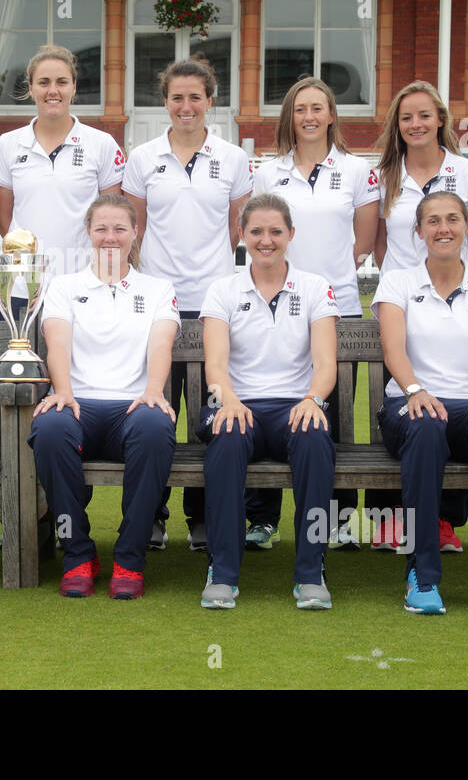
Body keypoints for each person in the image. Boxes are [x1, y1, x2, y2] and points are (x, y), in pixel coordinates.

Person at [121, 58, 252, 551]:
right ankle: (152, 515)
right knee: (154, 410)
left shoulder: (234, 159)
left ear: (210, 101)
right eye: (177, 97)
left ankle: (200, 517)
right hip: (157, 303)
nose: (186, 106)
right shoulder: (143, 157)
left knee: (207, 414)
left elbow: (240, 228)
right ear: (166, 102)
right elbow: (136, 229)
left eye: (195, 96)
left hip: (213, 304)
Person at [373, 191, 468, 618]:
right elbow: (394, 350)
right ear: (418, 232)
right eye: (433, 221)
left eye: (453, 219)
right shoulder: (398, 282)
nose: (444, 228)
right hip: (409, 404)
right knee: (424, 426)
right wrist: (417, 390)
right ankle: (422, 573)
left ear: (467, 228)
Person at [29, 193, 179, 600]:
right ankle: (76, 553)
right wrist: (63, 392)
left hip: (132, 405)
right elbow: (56, 343)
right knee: (49, 427)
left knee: (154, 425)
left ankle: (130, 558)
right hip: (80, 403)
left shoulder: (158, 288)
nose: (110, 237)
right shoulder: (62, 286)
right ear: (88, 233)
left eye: (119, 229)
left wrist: (153, 391)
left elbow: (161, 343)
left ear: (135, 232)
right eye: (101, 229)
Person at [250, 77, 378, 550]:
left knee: (335, 417)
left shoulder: (356, 170)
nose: (309, 116)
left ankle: (339, 520)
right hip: (275, 306)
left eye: (317, 108)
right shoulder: (268, 172)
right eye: (300, 108)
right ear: (290, 116)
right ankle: (262, 518)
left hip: (337, 307)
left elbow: (363, 241)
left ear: (330, 116)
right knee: (268, 402)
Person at [200, 194, 339, 611]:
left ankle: (311, 572)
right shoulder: (223, 289)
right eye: (256, 231)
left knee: (315, 436)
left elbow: (325, 362)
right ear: (242, 235)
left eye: (275, 231)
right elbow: (217, 364)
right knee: (226, 433)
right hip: (236, 402)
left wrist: (314, 399)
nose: (266, 240)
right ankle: (222, 571)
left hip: (294, 406)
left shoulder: (315, 287)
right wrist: (229, 401)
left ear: (290, 234)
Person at [373, 80, 468, 554]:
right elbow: (381, 243)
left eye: (424, 115)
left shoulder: (466, 172)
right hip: (402, 302)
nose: (416, 124)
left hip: (451, 298)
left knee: (456, 403)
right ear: (397, 126)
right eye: (406, 117)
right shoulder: (384, 174)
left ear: (440, 119)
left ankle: (443, 521)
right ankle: (390, 519)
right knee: (404, 409)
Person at [0, 43, 126, 312]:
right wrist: (29, 264)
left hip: (86, 284)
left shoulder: (102, 144)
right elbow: (4, 219)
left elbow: (112, 218)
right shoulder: (7, 144)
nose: (53, 90)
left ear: (74, 87)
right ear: (31, 88)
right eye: (44, 82)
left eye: (61, 82)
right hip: (23, 286)